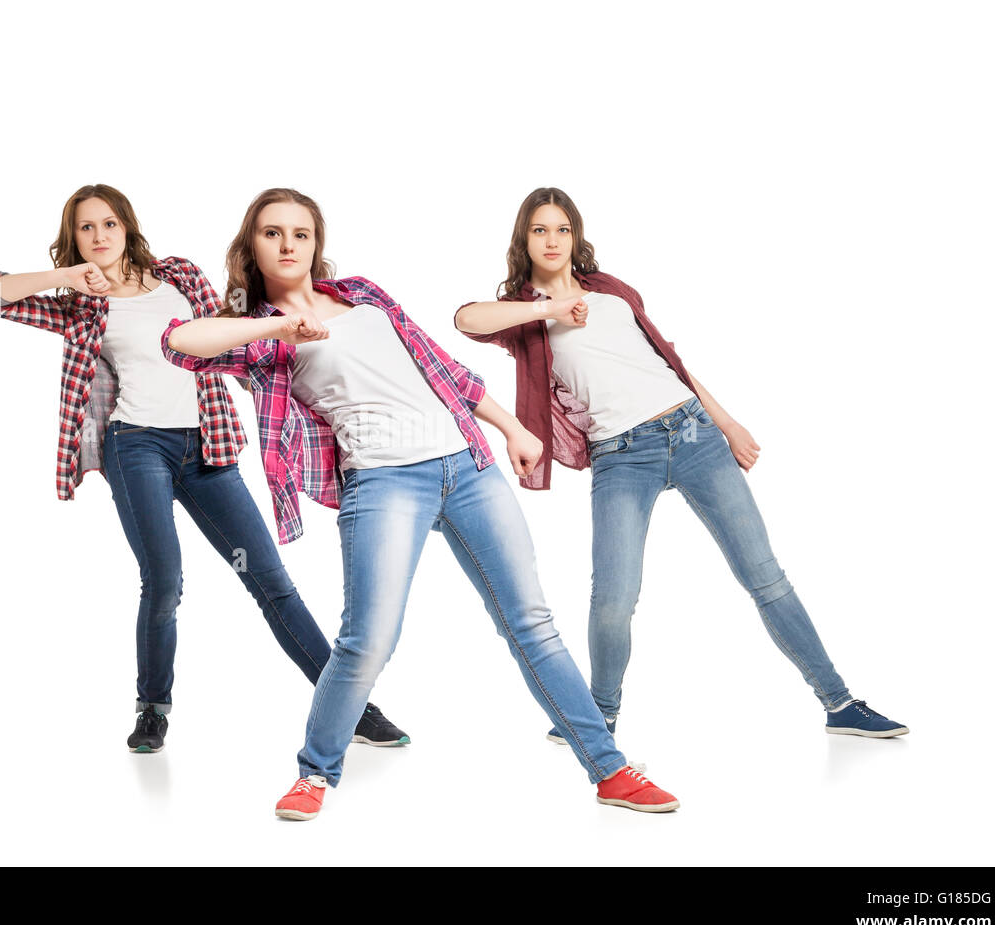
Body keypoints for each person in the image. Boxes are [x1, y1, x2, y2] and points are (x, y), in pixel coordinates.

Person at [163, 187, 680, 819]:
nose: (288, 244)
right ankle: (315, 772)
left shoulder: (362, 294)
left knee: (531, 623)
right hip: (383, 483)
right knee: (368, 640)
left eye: (300, 233)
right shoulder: (256, 335)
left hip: (466, 466)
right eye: (273, 234)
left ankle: (611, 770)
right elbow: (179, 342)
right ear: (253, 246)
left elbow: (437, 365)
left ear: (316, 243)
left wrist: (510, 427)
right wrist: (280, 325)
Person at [455, 186, 908, 743]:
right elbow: (465, 318)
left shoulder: (613, 294)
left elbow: (671, 362)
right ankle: (601, 713)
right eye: (540, 230)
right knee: (615, 597)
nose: (553, 240)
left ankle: (839, 702)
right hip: (622, 455)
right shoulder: (526, 314)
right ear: (525, 239)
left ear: (577, 236)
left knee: (764, 576)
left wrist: (728, 422)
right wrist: (549, 307)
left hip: (692, 430)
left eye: (563, 229)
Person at [0, 184, 407, 754]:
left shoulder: (180, 276)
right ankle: (152, 708)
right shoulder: (80, 303)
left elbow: (226, 334)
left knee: (267, 579)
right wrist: (67, 278)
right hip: (137, 451)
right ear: (73, 239)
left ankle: (352, 707)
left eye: (108, 224)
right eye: (85, 228)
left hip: (209, 452)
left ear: (127, 226)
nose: (99, 236)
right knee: (165, 580)